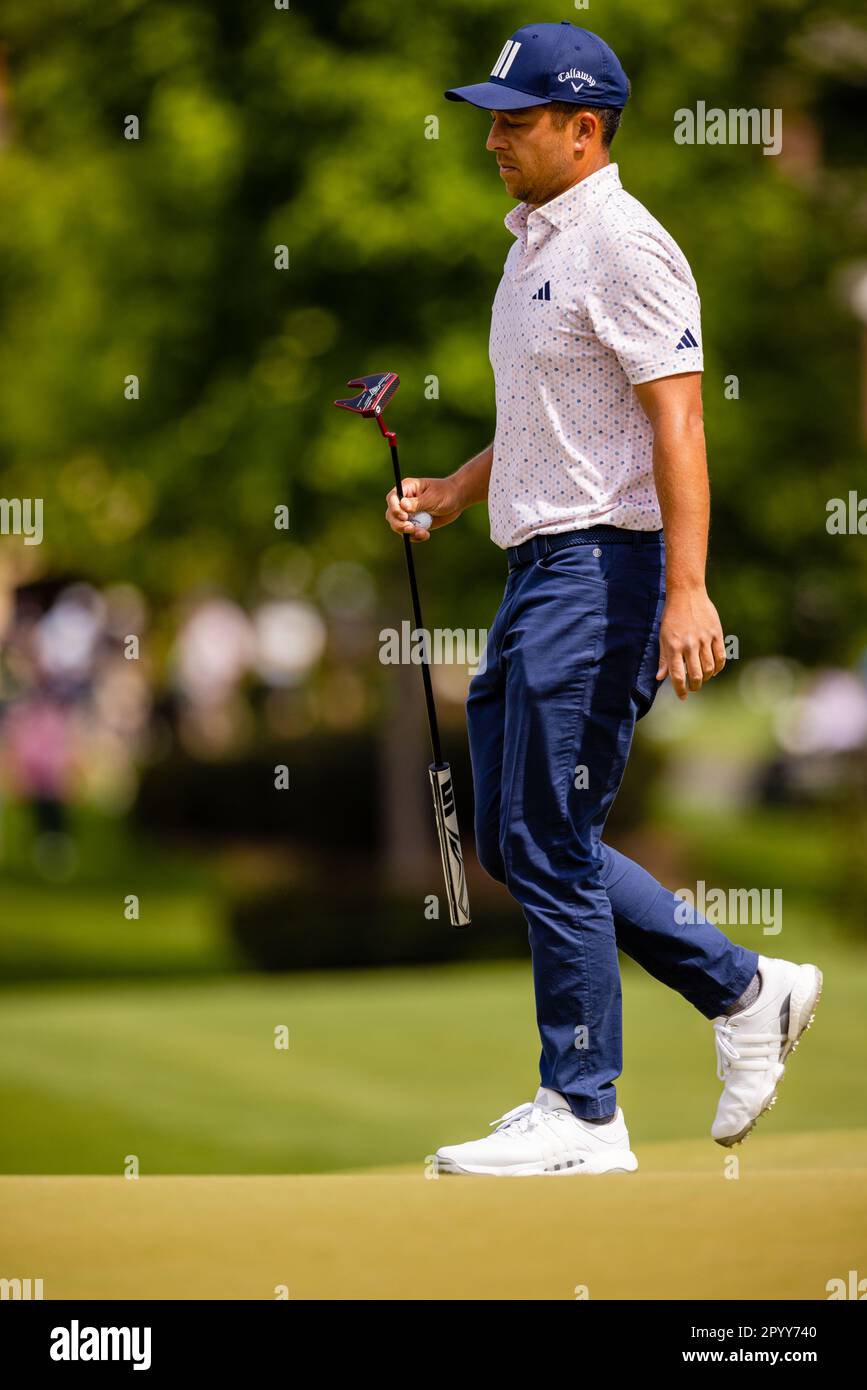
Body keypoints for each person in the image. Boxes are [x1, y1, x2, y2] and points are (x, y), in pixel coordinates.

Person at [385, 22, 821, 1176]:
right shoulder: (533, 243)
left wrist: (688, 587)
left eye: (517, 122)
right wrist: (456, 485)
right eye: (493, 118)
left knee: (546, 834)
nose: (493, 139)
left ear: (585, 130)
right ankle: (746, 987)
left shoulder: (624, 244)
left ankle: (583, 1110)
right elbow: (551, 417)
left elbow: (679, 417)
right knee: (515, 834)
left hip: (605, 570)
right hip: (541, 567)